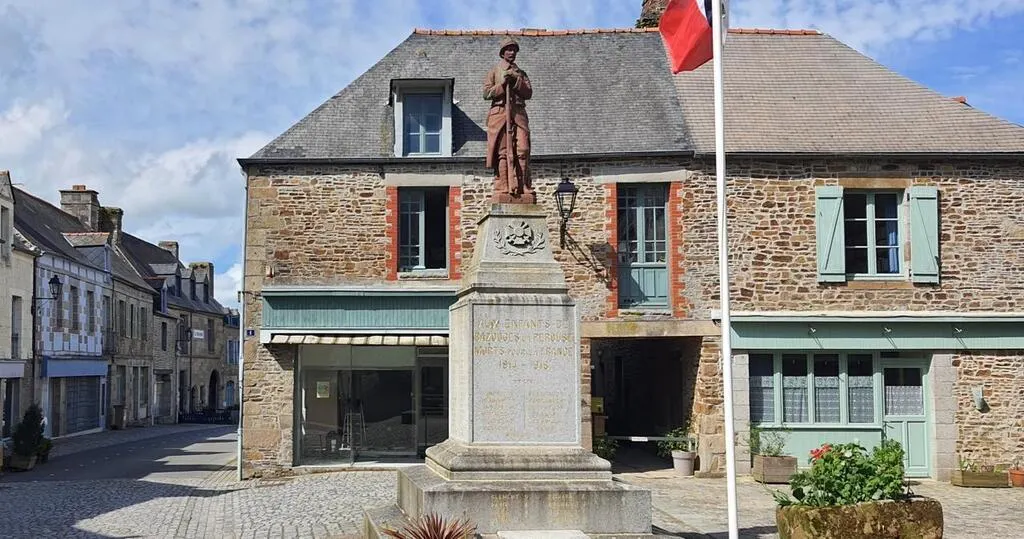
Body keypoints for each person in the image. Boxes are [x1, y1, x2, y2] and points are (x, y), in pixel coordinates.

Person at [483, 36, 534, 202]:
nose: (511, 52)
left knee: (523, 149)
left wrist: (516, 81)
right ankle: (504, 186)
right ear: (502, 53)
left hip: (518, 113)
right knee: (503, 152)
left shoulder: (521, 73)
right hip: (500, 114)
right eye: (508, 49)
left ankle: (523, 185)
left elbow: (528, 93)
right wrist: (503, 85)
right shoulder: (494, 72)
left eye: (514, 50)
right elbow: (486, 93)